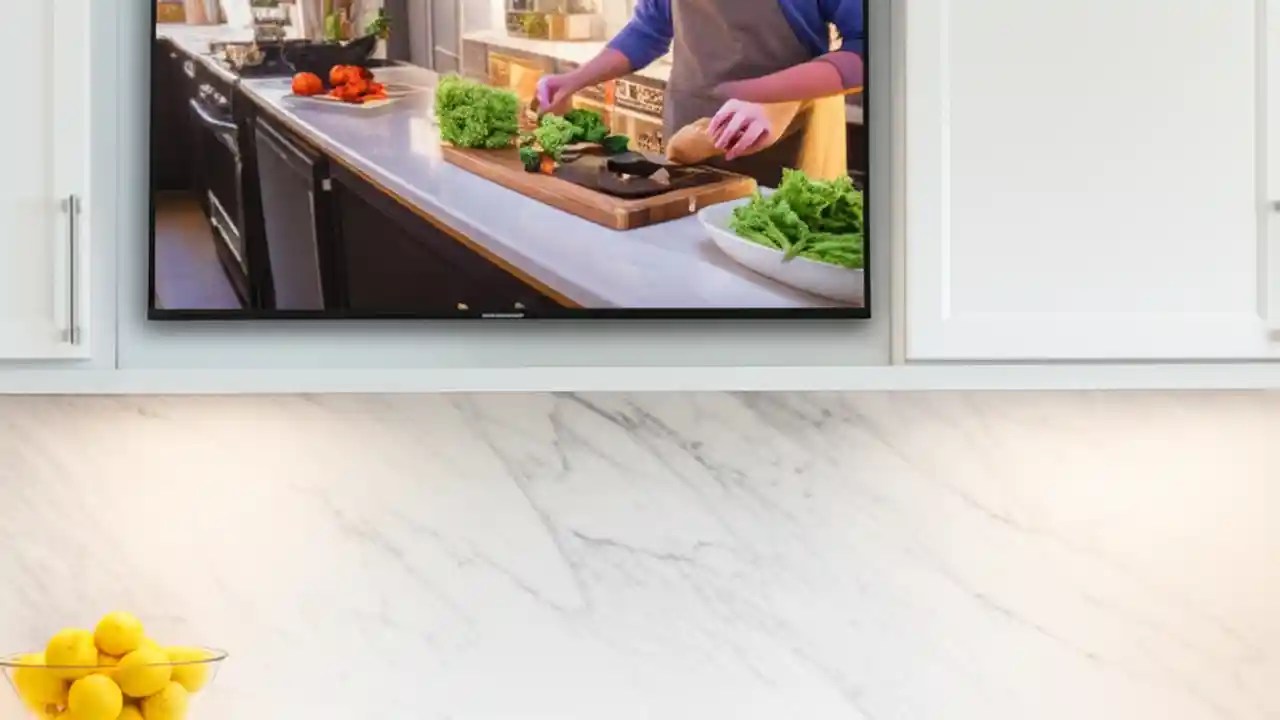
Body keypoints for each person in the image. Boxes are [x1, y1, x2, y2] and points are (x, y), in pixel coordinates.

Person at [536, 0, 865, 186]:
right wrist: (575, 79)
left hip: (790, 141)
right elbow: (648, 30)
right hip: (690, 133)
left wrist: (779, 101)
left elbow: (868, 50)